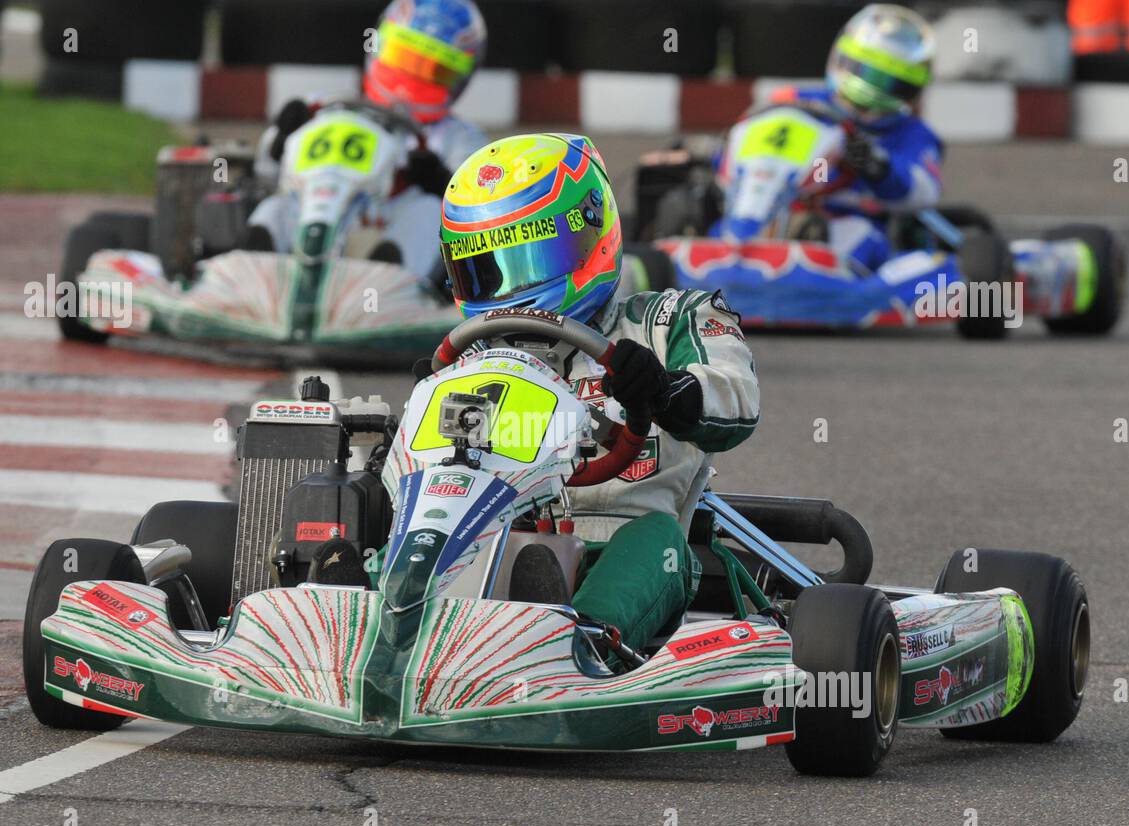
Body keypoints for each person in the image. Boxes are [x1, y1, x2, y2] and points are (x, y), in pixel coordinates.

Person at [439, 133, 761, 659]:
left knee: (653, 538)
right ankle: (382, 619)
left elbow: (738, 399)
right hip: (496, 541)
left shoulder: (669, 321)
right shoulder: (472, 357)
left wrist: (667, 389)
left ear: (590, 236)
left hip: (633, 541)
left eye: (533, 257)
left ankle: (578, 649)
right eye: (491, 268)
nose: (513, 287)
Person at [246, 0, 488, 275]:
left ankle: (390, 290)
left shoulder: (460, 139)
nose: (410, 76)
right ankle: (250, 285)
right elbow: (266, 172)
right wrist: (281, 138)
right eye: (404, 57)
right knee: (274, 208)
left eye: (434, 69)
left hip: (386, 234)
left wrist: (440, 183)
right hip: (311, 221)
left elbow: (480, 216)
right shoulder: (324, 108)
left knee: (429, 211)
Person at [726, 3, 942, 273]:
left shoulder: (911, 134)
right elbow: (743, 146)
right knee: (696, 212)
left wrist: (877, 166)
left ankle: (812, 273)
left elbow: (924, 191)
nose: (872, 92)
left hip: (849, 222)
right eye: (866, 73)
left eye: (891, 84)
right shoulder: (794, 102)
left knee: (855, 236)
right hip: (770, 208)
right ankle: (733, 245)